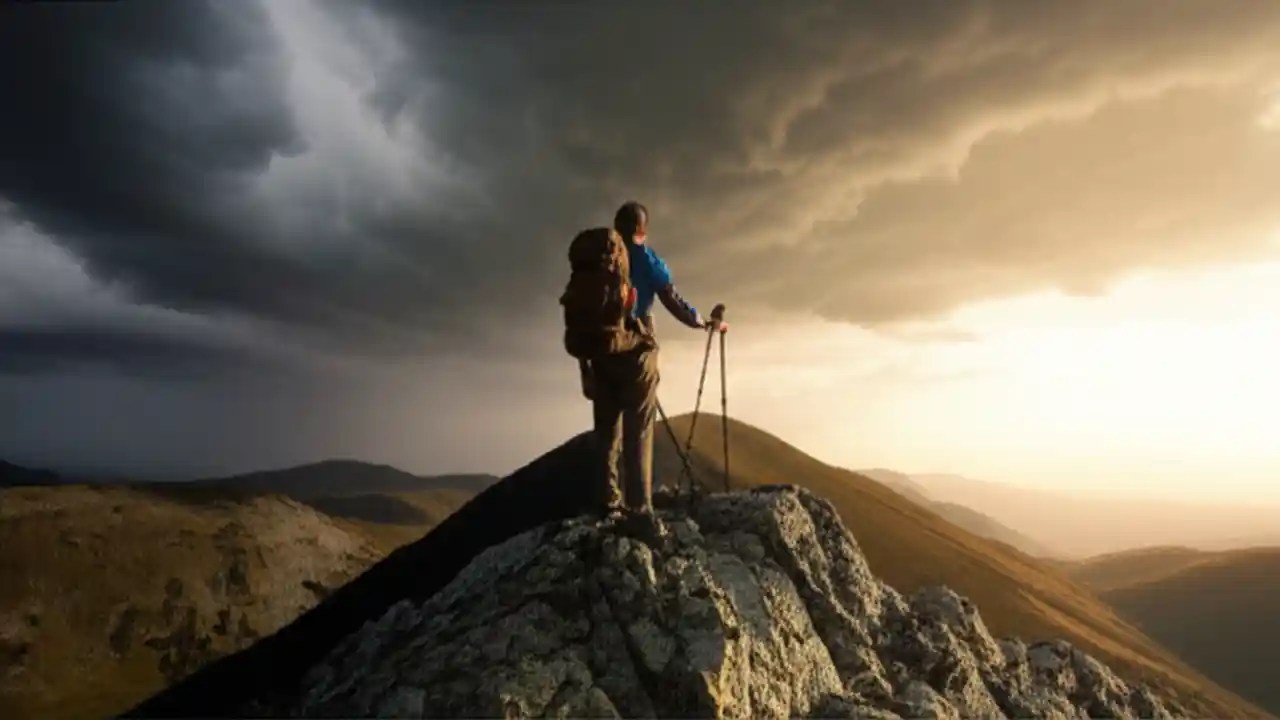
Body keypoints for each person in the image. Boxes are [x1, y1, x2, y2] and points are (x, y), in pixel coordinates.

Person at [580, 200, 726, 528]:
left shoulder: (598, 261)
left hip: (602, 351)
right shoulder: (647, 261)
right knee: (639, 428)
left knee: (605, 431)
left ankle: (605, 502)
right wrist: (703, 323)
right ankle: (638, 509)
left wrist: (585, 365)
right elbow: (673, 301)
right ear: (642, 231)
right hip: (636, 352)